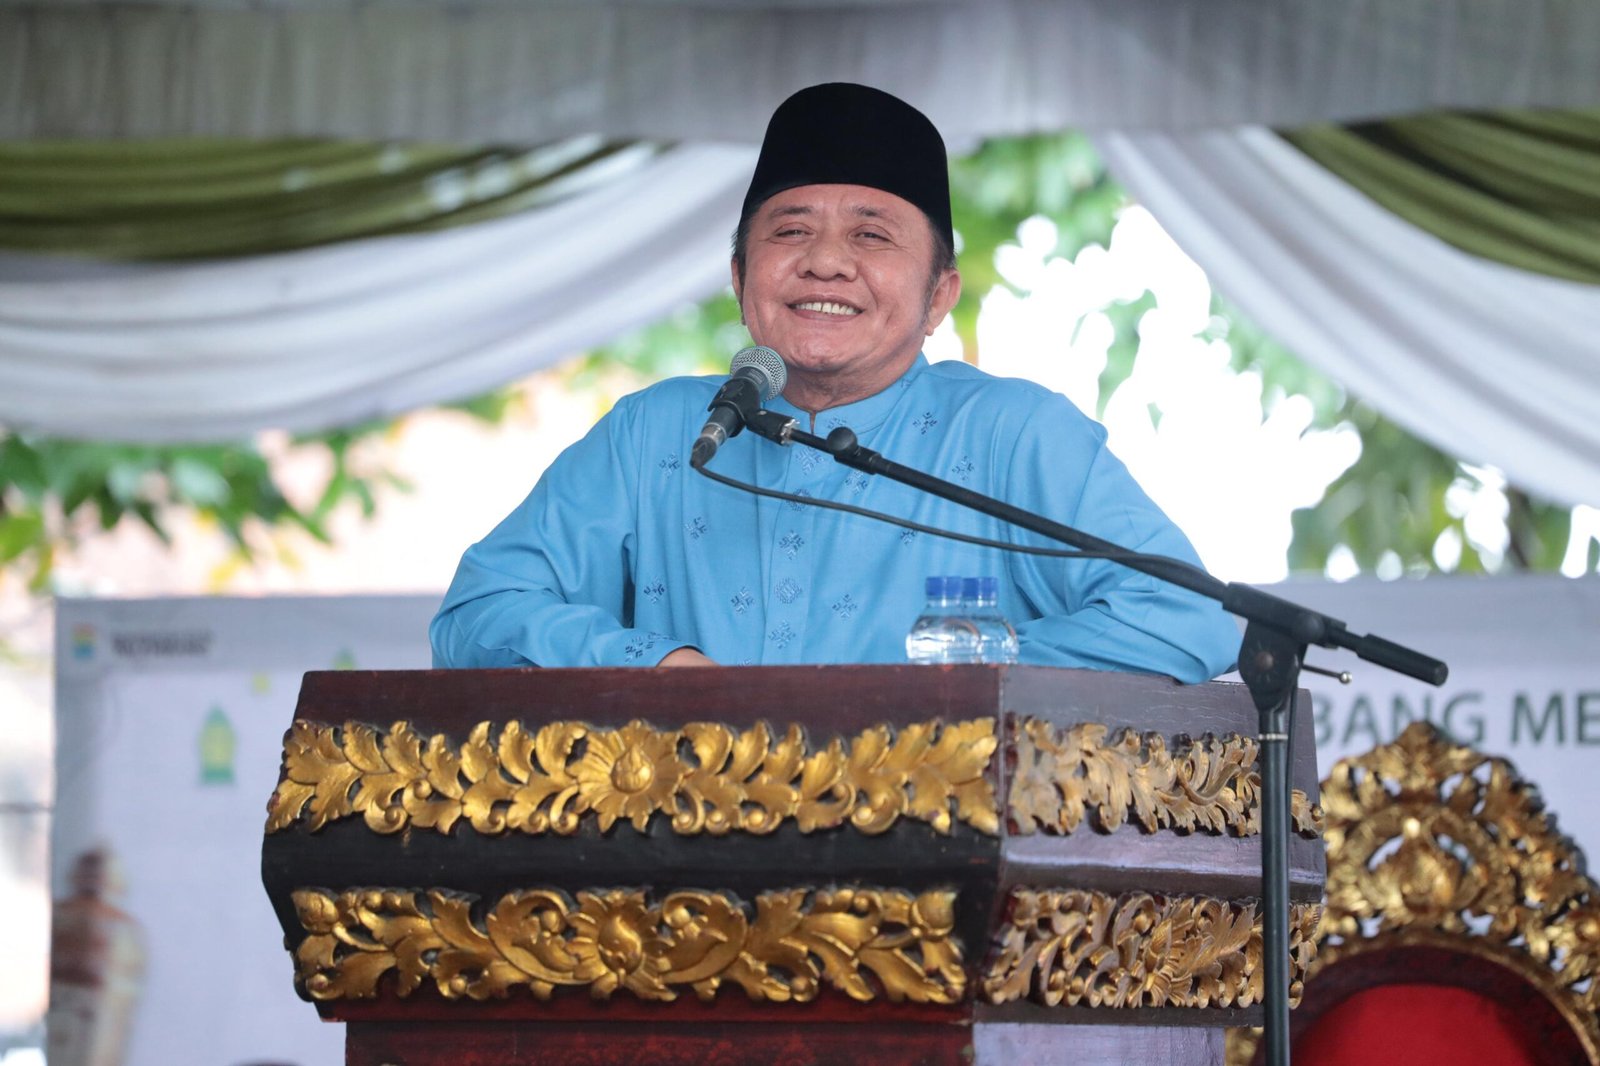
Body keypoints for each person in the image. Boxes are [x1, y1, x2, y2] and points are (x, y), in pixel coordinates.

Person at [431, 83, 1239, 681]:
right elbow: (476, 617)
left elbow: (1188, 619)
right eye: (791, 231)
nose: (825, 261)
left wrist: (946, 678)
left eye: (871, 235)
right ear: (741, 279)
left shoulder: (1013, 433)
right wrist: (656, 664)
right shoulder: (657, 434)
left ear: (939, 296)